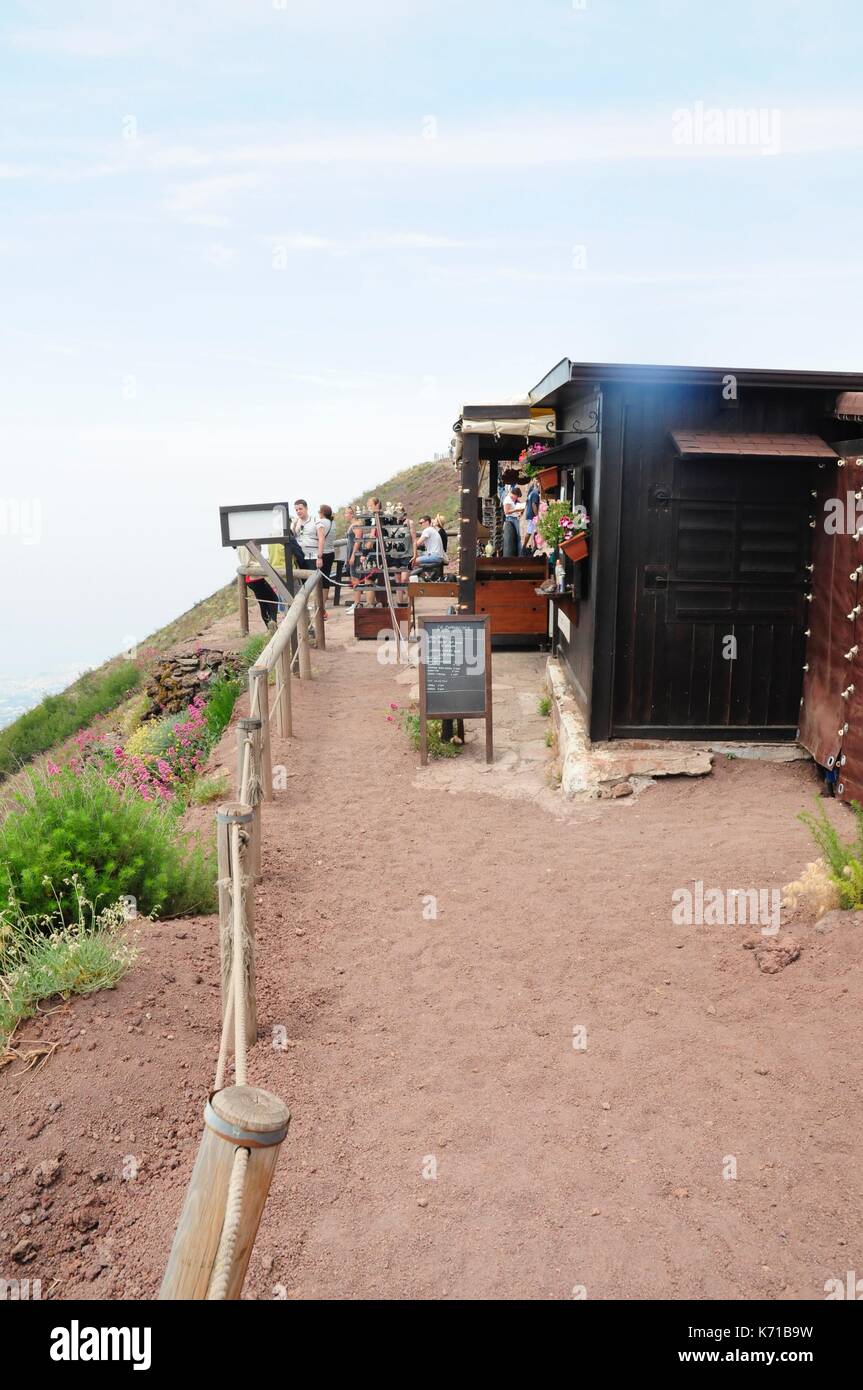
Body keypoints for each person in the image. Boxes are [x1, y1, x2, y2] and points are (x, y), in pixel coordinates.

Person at [502, 486, 524, 556]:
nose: (517, 498)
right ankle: (519, 554)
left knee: (518, 537)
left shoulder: (514, 500)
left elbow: (521, 506)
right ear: (514, 494)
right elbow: (506, 512)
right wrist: (516, 510)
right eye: (517, 496)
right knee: (514, 537)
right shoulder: (507, 500)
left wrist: (520, 512)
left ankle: (519, 554)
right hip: (510, 519)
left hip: (515, 518)